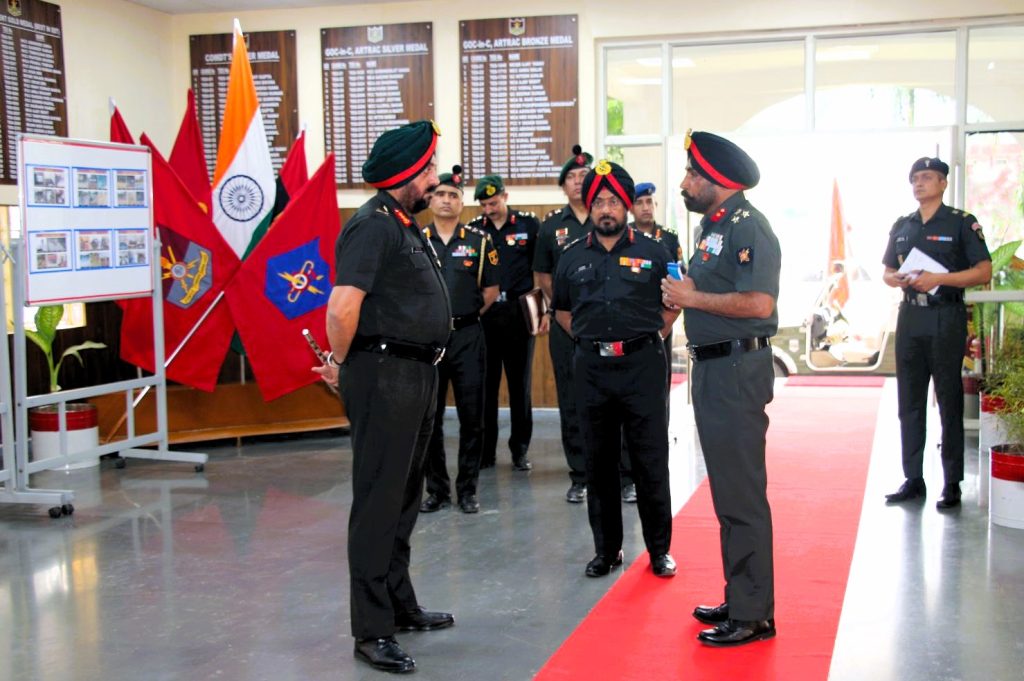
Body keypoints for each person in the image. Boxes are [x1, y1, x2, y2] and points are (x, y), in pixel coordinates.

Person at [314, 120, 454, 674]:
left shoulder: (400, 223)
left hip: (415, 375)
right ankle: (371, 630)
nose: (434, 179)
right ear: (407, 175)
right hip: (385, 374)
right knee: (377, 501)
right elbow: (341, 308)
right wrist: (346, 367)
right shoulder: (372, 226)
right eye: (428, 171)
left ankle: (399, 603)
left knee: (402, 496)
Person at [661, 130, 780, 647]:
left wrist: (692, 297)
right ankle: (742, 594)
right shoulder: (714, 227)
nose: (685, 183)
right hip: (713, 370)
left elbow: (760, 305)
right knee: (729, 494)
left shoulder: (748, 226)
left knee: (742, 495)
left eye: (692, 175)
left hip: (736, 371)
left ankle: (754, 614)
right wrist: (681, 299)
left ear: (719, 181)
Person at [552, 159, 679, 580]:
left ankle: (659, 550)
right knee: (599, 463)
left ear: (627, 207)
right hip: (591, 369)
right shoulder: (570, 257)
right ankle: (607, 550)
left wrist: (642, 338)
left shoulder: (656, 252)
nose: (606, 208)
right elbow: (564, 313)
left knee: (650, 460)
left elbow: (672, 305)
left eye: (614, 201)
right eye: (599, 202)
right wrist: (597, 342)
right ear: (589, 208)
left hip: (642, 366)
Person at [881, 157, 991, 509]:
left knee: (948, 399)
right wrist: (894, 279)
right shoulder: (903, 225)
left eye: (927, 177)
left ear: (943, 183)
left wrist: (939, 279)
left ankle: (952, 482)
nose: (919, 183)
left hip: (946, 317)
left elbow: (983, 272)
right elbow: (887, 269)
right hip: (911, 316)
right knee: (909, 402)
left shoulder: (961, 223)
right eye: (914, 178)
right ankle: (913, 478)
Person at [420, 165, 500, 515]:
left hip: (468, 336)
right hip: (428, 342)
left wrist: (463, 319)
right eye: (440, 194)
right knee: (429, 418)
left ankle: (467, 489)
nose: (447, 200)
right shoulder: (417, 239)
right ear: (431, 199)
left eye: (453, 195)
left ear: (462, 202)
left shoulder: (479, 242)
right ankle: (436, 490)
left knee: (473, 417)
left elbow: (492, 291)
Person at [533, 144, 593, 503]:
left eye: (583, 177)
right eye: (571, 177)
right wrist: (563, 310)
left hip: (604, 325)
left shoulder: (607, 216)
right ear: (563, 185)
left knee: (608, 398)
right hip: (566, 327)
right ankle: (580, 475)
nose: (577, 182)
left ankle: (618, 472)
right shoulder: (552, 225)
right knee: (570, 400)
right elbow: (542, 275)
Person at [469, 175, 540, 472]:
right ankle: (486, 452)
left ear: (505, 196)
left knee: (519, 386)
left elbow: (540, 269)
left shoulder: (528, 225)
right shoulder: (474, 229)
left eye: (494, 202)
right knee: (486, 385)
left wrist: (542, 311)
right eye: (484, 204)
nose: (489, 208)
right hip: (487, 316)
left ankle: (520, 449)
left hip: (519, 314)